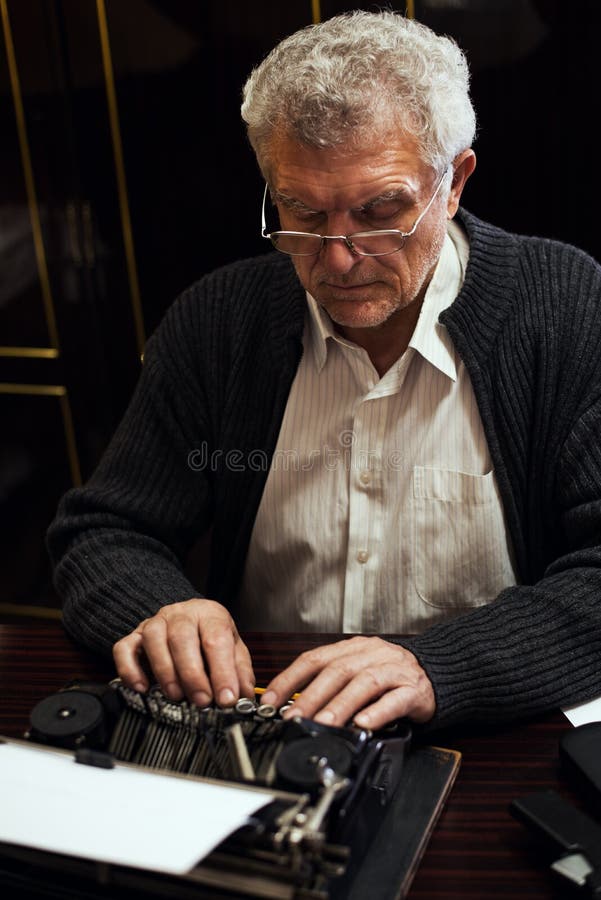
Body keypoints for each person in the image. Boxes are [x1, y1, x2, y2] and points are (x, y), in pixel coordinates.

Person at [47, 10, 601, 733]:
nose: (336, 259)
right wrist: (160, 610)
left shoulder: (565, 306)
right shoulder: (220, 320)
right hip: (257, 723)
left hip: (484, 738)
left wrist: (442, 665)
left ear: (454, 180)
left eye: (380, 211)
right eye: (301, 211)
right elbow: (104, 530)